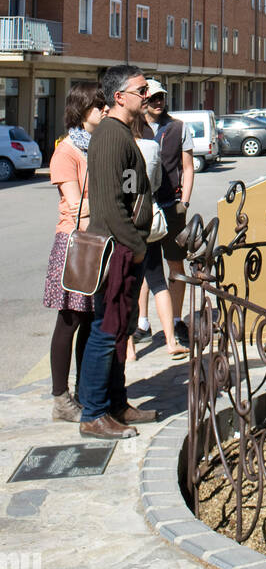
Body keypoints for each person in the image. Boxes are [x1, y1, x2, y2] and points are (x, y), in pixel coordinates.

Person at [76, 64, 157, 440]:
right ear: (119, 96)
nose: (147, 95)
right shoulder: (111, 135)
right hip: (117, 251)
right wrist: (136, 247)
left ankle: (116, 403)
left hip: (125, 249)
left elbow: (129, 191)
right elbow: (109, 205)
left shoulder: (122, 132)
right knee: (106, 332)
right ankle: (94, 413)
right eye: (141, 90)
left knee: (121, 330)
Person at [43, 82, 107, 421]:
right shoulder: (66, 152)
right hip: (74, 245)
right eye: (98, 106)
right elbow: (75, 206)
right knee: (69, 321)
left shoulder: (96, 146)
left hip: (96, 242)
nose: (103, 111)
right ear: (82, 111)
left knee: (89, 321)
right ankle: (60, 398)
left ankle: (85, 389)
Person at [133, 81, 195, 348]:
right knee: (145, 267)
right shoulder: (134, 127)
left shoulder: (179, 127)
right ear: (144, 99)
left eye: (162, 98)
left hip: (171, 206)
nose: (159, 102)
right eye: (154, 98)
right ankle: (142, 323)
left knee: (176, 265)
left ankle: (177, 320)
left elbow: (188, 166)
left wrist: (186, 202)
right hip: (144, 207)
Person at [128, 107, 186, 361]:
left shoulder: (120, 147)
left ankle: (129, 348)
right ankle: (171, 340)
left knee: (128, 283)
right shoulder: (152, 148)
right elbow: (159, 180)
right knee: (158, 281)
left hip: (125, 220)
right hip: (149, 215)